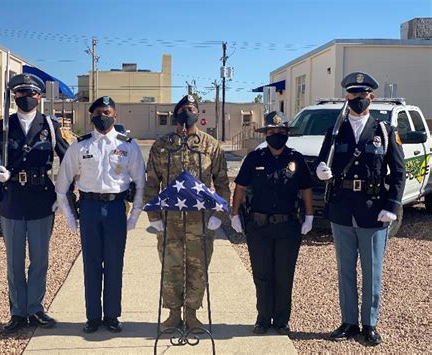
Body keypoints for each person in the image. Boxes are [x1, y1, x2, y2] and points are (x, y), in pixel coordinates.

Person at [316, 72, 406, 346]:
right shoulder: (335, 130)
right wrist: (321, 172)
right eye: (352, 95)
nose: (357, 99)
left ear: (371, 97)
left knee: (372, 270)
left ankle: (370, 323)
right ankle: (348, 321)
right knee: (345, 270)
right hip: (343, 210)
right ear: (347, 97)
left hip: (373, 210)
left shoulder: (384, 131)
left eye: (362, 95)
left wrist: (391, 205)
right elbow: (323, 162)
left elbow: (399, 172)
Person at [0, 73, 69, 333]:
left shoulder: (50, 126)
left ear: (39, 97)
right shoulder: (2, 127)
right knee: (15, 261)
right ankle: (18, 312)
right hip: (12, 201)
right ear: (14, 97)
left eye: (31, 93)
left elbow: (68, 159)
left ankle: (36, 308)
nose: (26, 98)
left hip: (42, 200)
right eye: (20, 93)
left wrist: (62, 193)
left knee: (40, 259)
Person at [55, 96, 145, 333]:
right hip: (89, 209)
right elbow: (62, 184)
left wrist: (134, 216)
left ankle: (112, 316)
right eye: (97, 113)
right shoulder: (79, 146)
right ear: (91, 116)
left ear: (115, 116)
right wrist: (69, 216)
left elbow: (140, 183)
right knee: (92, 264)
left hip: (116, 209)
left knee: (115, 264)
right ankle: (93, 317)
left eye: (107, 112)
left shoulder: (128, 145)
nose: (102, 117)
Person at [144, 94, 230, 332]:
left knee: (198, 266)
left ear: (198, 113)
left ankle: (192, 314)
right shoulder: (162, 146)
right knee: (170, 266)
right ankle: (173, 314)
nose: (187, 112)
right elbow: (151, 183)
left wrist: (219, 214)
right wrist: (154, 217)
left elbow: (222, 183)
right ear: (175, 114)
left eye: (191, 108)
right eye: (183, 109)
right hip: (169, 220)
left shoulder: (211, 145)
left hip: (201, 221)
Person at [230, 112, 314, 335]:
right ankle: (263, 318)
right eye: (272, 132)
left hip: (288, 226)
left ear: (286, 133)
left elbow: (306, 188)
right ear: (265, 134)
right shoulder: (254, 158)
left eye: (280, 132)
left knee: (284, 275)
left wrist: (309, 215)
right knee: (262, 274)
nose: (276, 135)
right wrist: (234, 214)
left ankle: (282, 320)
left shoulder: (296, 158)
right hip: (259, 226)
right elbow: (240, 187)